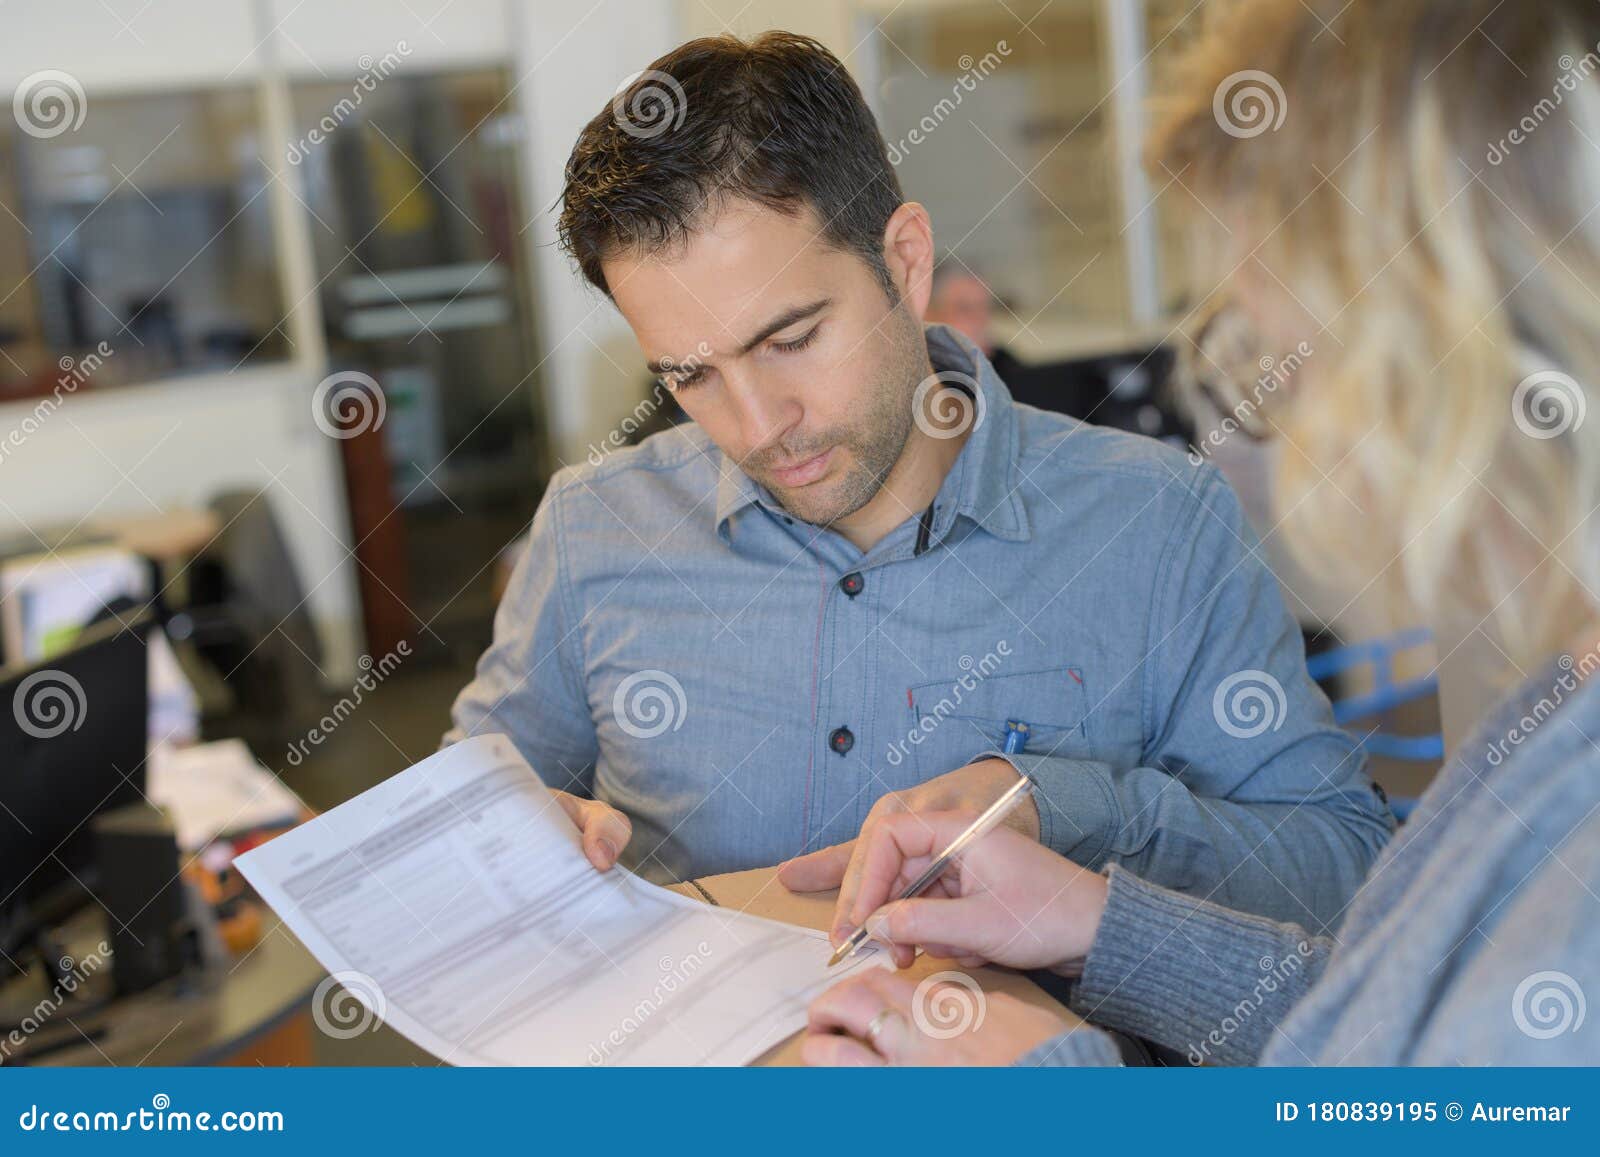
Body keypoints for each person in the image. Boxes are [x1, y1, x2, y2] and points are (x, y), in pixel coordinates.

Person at [444, 31, 1393, 928]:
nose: (758, 425)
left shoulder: (1155, 523)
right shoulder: (593, 527)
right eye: (689, 376)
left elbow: (1343, 872)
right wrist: (511, 844)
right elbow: (451, 833)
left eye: (791, 339)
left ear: (905, 261)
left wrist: (1076, 808)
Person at [803, 0, 1600, 1066]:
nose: (1291, 438)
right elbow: (1395, 1039)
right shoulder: (1561, 701)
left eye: (1290, 359)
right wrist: (1098, 924)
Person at [923, 264, 1027, 385]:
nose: (980, 319)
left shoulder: (1005, 367)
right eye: (965, 308)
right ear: (927, 315)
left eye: (985, 308)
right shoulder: (920, 378)